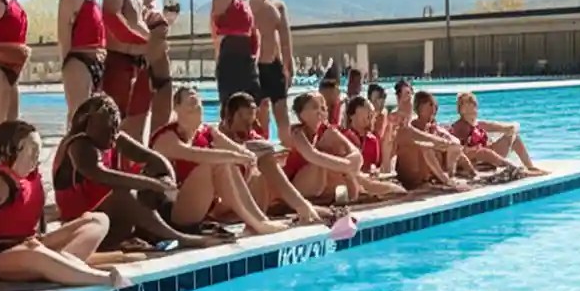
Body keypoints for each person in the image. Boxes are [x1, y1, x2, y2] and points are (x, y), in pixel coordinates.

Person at [52, 94, 228, 250]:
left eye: (116, 127)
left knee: (151, 174)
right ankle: (179, 238)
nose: (114, 134)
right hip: (82, 229)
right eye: (109, 128)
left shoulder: (109, 136)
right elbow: (102, 176)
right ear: (90, 124)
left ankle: (159, 230)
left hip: (108, 222)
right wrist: (152, 184)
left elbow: (156, 160)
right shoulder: (78, 144)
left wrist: (165, 181)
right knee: (124, 194)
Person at [0, 120, 125, 287]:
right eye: (32, 150)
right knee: (34, 253)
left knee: (98, 220)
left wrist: (35, 242)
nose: (36, 158)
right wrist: (16, 244)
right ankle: (102, 279)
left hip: (32, 245)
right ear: (7, 150)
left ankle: (60, 266)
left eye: (39, 152)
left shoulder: (32, 179)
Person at [150, 87, 290, 235]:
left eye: (198, 102)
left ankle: (260, 221)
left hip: (205, 207)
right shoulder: (167, 137)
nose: (196, 106)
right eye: (191, 101)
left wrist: (248, 157)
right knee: (217, 162)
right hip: (172, 212)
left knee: (253, 171)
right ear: (176, 108)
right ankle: (256, 222)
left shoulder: (208, 132)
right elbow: (197, 155)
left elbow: (241, 151)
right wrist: (236, 157)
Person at [219, 91, 332, 224]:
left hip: (251, 197)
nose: (250, 126)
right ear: (231, 116)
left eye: (253, 118)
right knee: (260, 169)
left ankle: (303, 207)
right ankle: (304, 207)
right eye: (245, 119)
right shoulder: (216, 137)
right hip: (221, 200)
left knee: (265, 170)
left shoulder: (253, 136)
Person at [285, 91, 402, 202]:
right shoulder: (297, 132)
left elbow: (357, 156)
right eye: (315, 107)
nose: (321, 112)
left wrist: (348, 167)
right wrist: (347, 166)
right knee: (324, 159)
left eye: (323, 108)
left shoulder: (328, 130)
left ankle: (364, 188)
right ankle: (360, 189)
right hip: (298, 186)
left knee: (335, 152)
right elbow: (313, 156)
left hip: (327, 180)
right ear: (301, 115)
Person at [100, 0, 152, 142]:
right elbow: (112, 19)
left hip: (135, 63)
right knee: (115, 119)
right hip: (119, 61)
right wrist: (142, 42)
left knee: (134, 120)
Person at [58, 0, 107, 126]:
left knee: (91, 116)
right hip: (78, 62)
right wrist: (66, 66)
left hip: (95, 62)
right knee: (78, 115)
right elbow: (64, 35)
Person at [248, 0, 296, 141]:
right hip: (256, 67)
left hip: (275, 66)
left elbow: (285, 37)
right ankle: (263, 151)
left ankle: (288, 151)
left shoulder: (278, 5)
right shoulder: (247, 6)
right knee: (261, 114)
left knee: (282, 114)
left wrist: (289, 65)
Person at [211, 0, 261, 113]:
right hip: (230, 56)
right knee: (231, 104)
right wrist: (219, 57)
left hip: (246, 57)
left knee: (254, 102)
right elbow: (214, 26)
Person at [450, 92, 546, 175]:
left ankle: (530, 166)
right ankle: (518, 170)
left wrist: (511, 128)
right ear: (460, 110)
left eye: (473, 105)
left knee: (514, 137)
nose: (471, 109)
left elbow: (504, 127)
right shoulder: (458, 127)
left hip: (490, 155)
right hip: (477, 159)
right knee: (486, 151)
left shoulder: (480, 124)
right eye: (467, 106)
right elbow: (458, 150)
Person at [138, 0, 178, 128]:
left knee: (161, 126)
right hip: (144, 71)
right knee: (139, 124)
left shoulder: (158, 10)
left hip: (162, 74)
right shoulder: (135, 9)